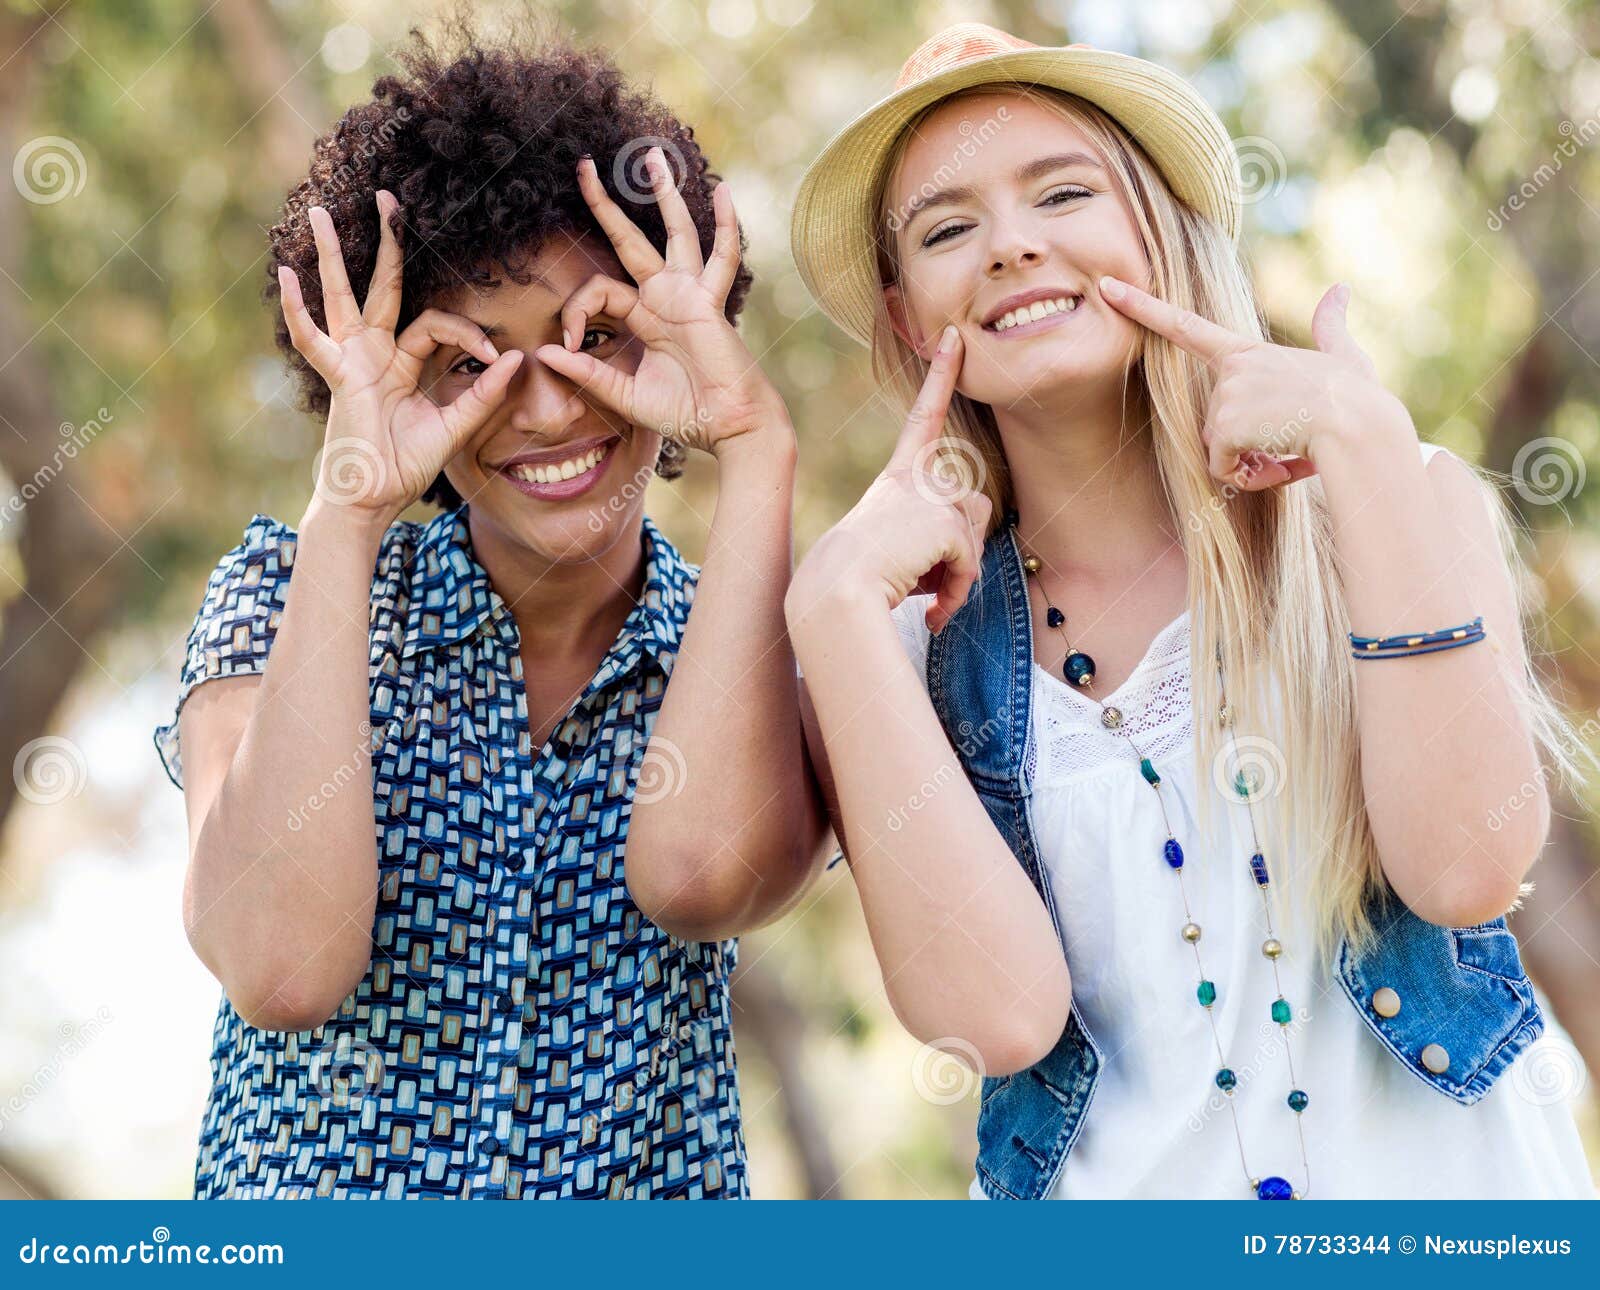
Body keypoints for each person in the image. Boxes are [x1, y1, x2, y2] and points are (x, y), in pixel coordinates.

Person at [786, 22, 1596, 1199]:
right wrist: (832, 610)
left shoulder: (1399, 501)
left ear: (1162, 233)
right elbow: (994, 1022)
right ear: (912, 318)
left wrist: (1362, 442)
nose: (1010, 245)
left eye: (1062, 192)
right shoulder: (894, 648)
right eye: (947, 230)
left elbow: (1466, 867)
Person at [154, 22, 823, 1199]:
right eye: (475, 361)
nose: (549, 411)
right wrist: (349, 508)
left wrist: (758, 446)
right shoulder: (286, 590)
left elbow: (705, 877)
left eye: (596, 338)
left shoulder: (774, 642)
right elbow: (280, 969)